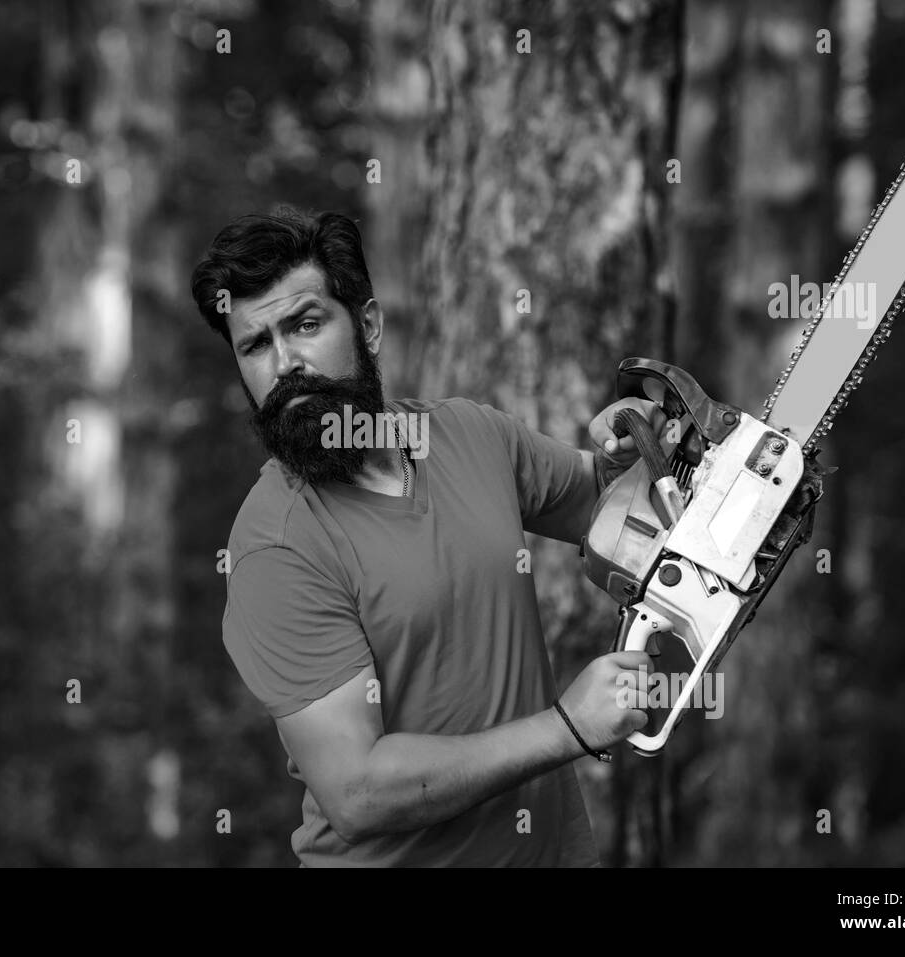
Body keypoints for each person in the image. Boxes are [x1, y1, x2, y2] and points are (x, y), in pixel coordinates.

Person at [190, 206, 669, 866]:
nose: (285, 363)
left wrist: (639, 450)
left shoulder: (469, 435)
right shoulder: (276, 545)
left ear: (368, 324)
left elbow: (624, 514)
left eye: (304, 324)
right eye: (255, 344)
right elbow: (357, 792)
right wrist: (568, 727)